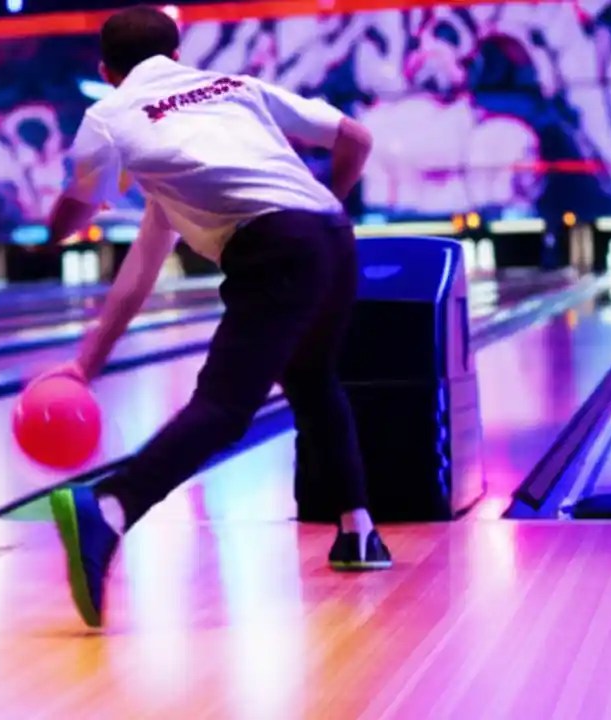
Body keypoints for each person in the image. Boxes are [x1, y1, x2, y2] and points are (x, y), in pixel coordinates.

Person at [34, 5, 389, 629]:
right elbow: (356, 138)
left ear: (106, 72)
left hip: (276, 246)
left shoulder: (110, 116)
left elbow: (69, 216)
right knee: (315, 382)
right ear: (175, 58)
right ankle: (359, 530)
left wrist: (60, 228)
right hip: (332, 239)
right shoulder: (235, 89)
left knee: (224, 407)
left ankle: (112, 505)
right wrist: (85, 365)